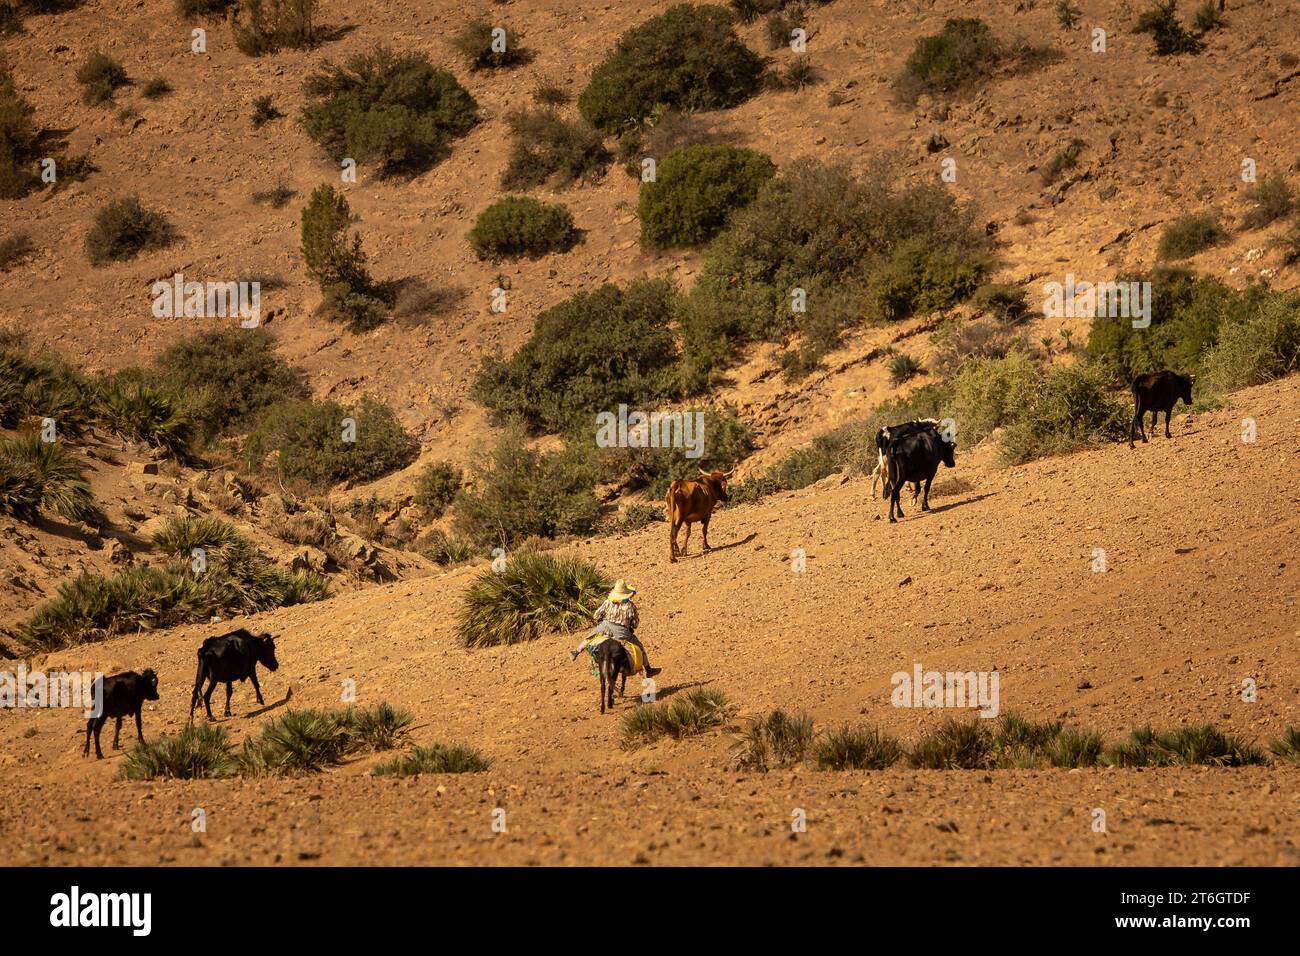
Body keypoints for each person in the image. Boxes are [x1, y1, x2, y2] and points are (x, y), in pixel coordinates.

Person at [570, 580, 661, 678]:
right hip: (621, 632)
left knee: (590, 636)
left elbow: (596, 616)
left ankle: (576, 651)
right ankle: (648, 669)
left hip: (605, 626)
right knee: (639, 646)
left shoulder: (608, 602)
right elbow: (635, 624)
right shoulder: (630, 606)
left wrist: (603, 621)